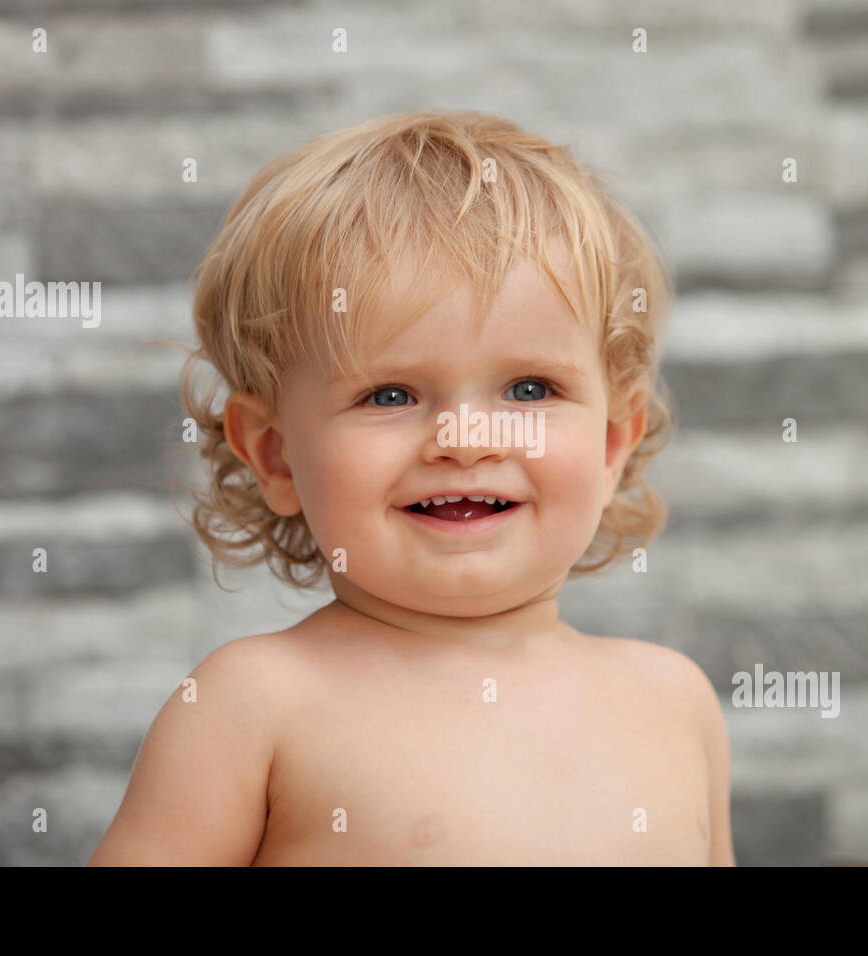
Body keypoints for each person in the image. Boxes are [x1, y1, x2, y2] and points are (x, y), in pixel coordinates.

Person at [88, 109, 734, 865]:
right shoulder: (253, 706)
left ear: (611, 443)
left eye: (529, 389)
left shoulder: (673, 703)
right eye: (390, 395)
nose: (465, 441)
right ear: (277, 456)